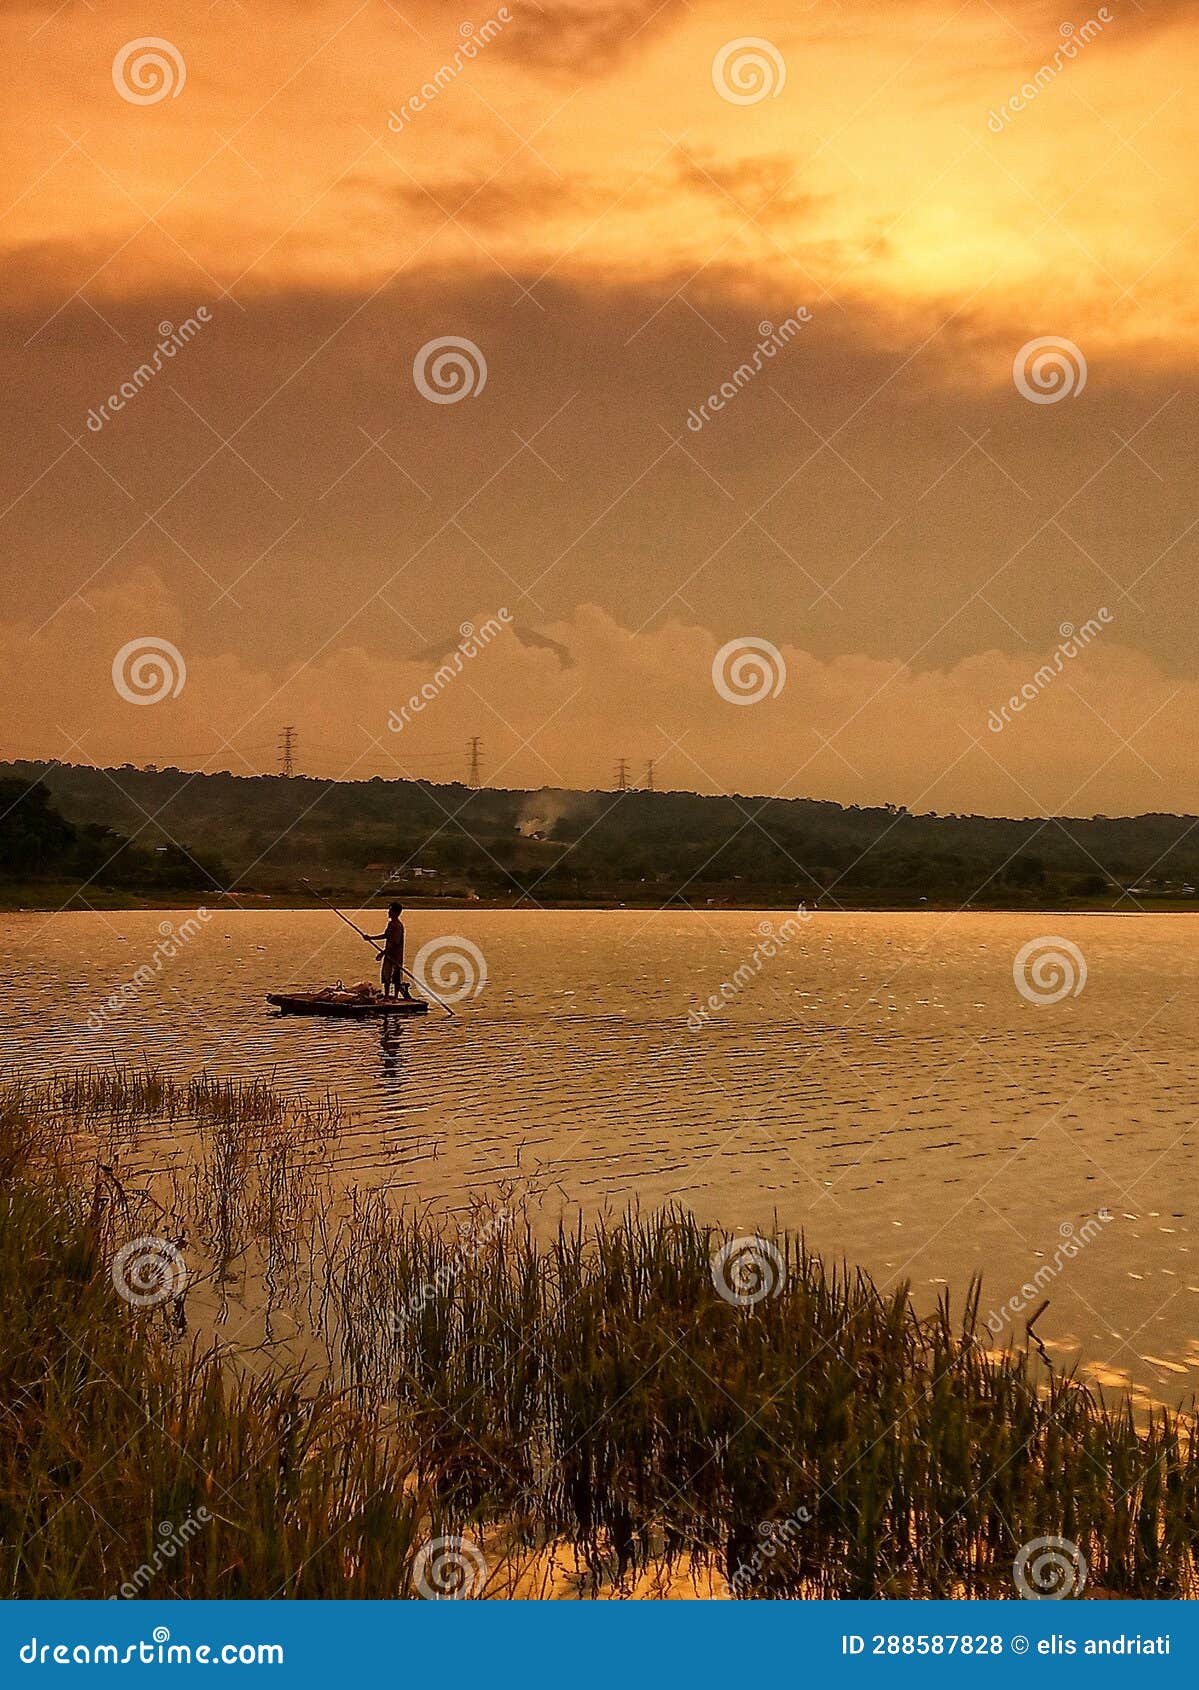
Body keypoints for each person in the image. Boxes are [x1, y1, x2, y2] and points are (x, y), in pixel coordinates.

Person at [367, 902, 411, 999]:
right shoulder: (391, 924)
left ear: (396, 912)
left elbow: (395, 943)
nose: (388, 912)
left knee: (395, 976)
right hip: (388, 955)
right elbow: (385, 936)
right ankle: (386, 996)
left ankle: (395, 997)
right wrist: (370, 938)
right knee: (386, 975)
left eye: (390, 910)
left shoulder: (398, 926)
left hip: (396, 956)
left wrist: (382, 953)